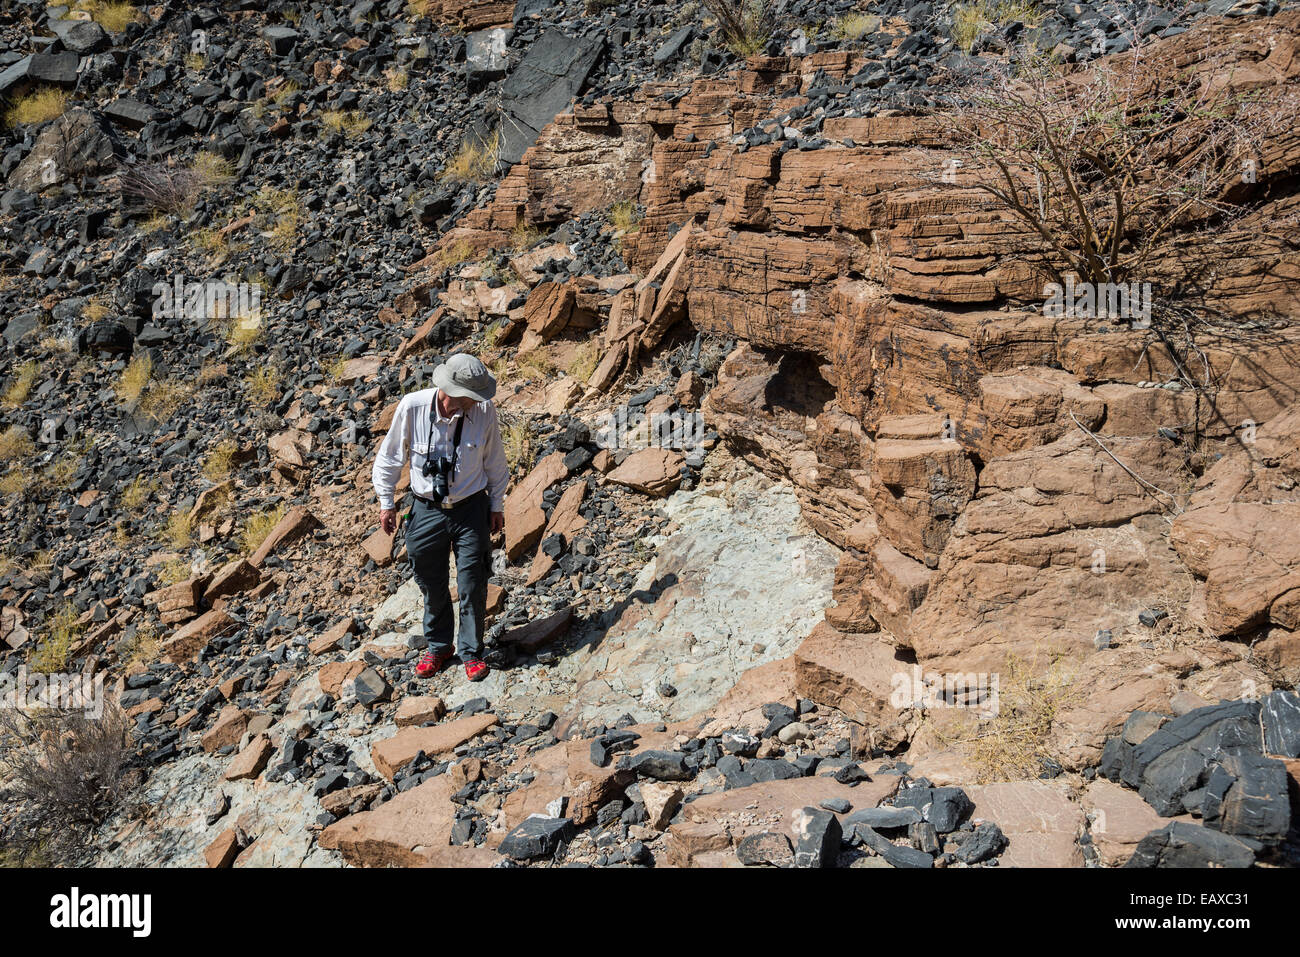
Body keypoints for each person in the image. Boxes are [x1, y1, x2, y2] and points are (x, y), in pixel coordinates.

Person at [372, 353, 509, 682]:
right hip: (426, 510)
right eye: (471, 397)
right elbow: (390, 457)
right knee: (431, 583)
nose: (476, 403)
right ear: (452, 390)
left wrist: (496, 504)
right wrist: (386, 502)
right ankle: (439, 646)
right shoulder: (412, 406)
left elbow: (494, 460)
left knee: (472, 581)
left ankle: (471, 651)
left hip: (471, 508)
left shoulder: (484, 412)